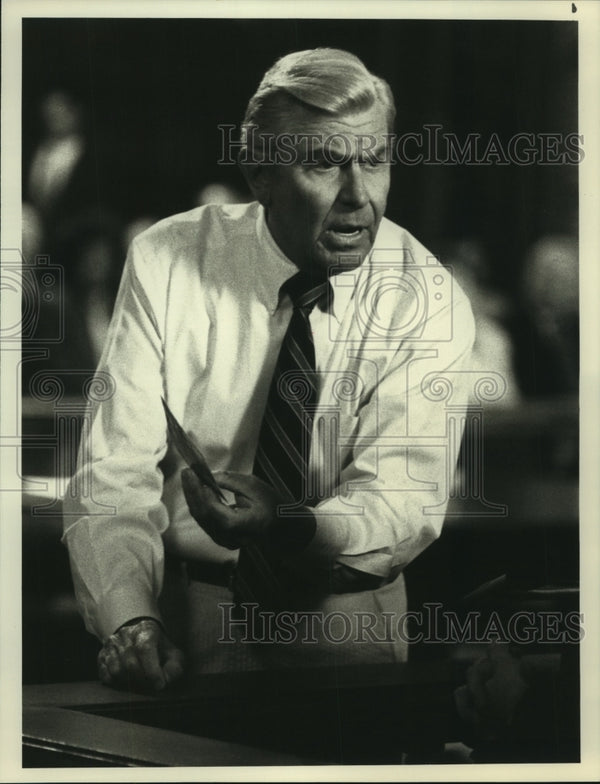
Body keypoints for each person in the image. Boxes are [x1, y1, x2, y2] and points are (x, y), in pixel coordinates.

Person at [63, 48, 475, 692]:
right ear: (260, 174)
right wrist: (131, 620)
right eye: (323, 164)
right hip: (193, 622)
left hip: (348, 625)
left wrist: (287, 525)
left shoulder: (425, 292)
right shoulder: (169, 260)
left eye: (373, 160)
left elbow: (403, 496)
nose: (358, 198)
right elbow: (114, 473)